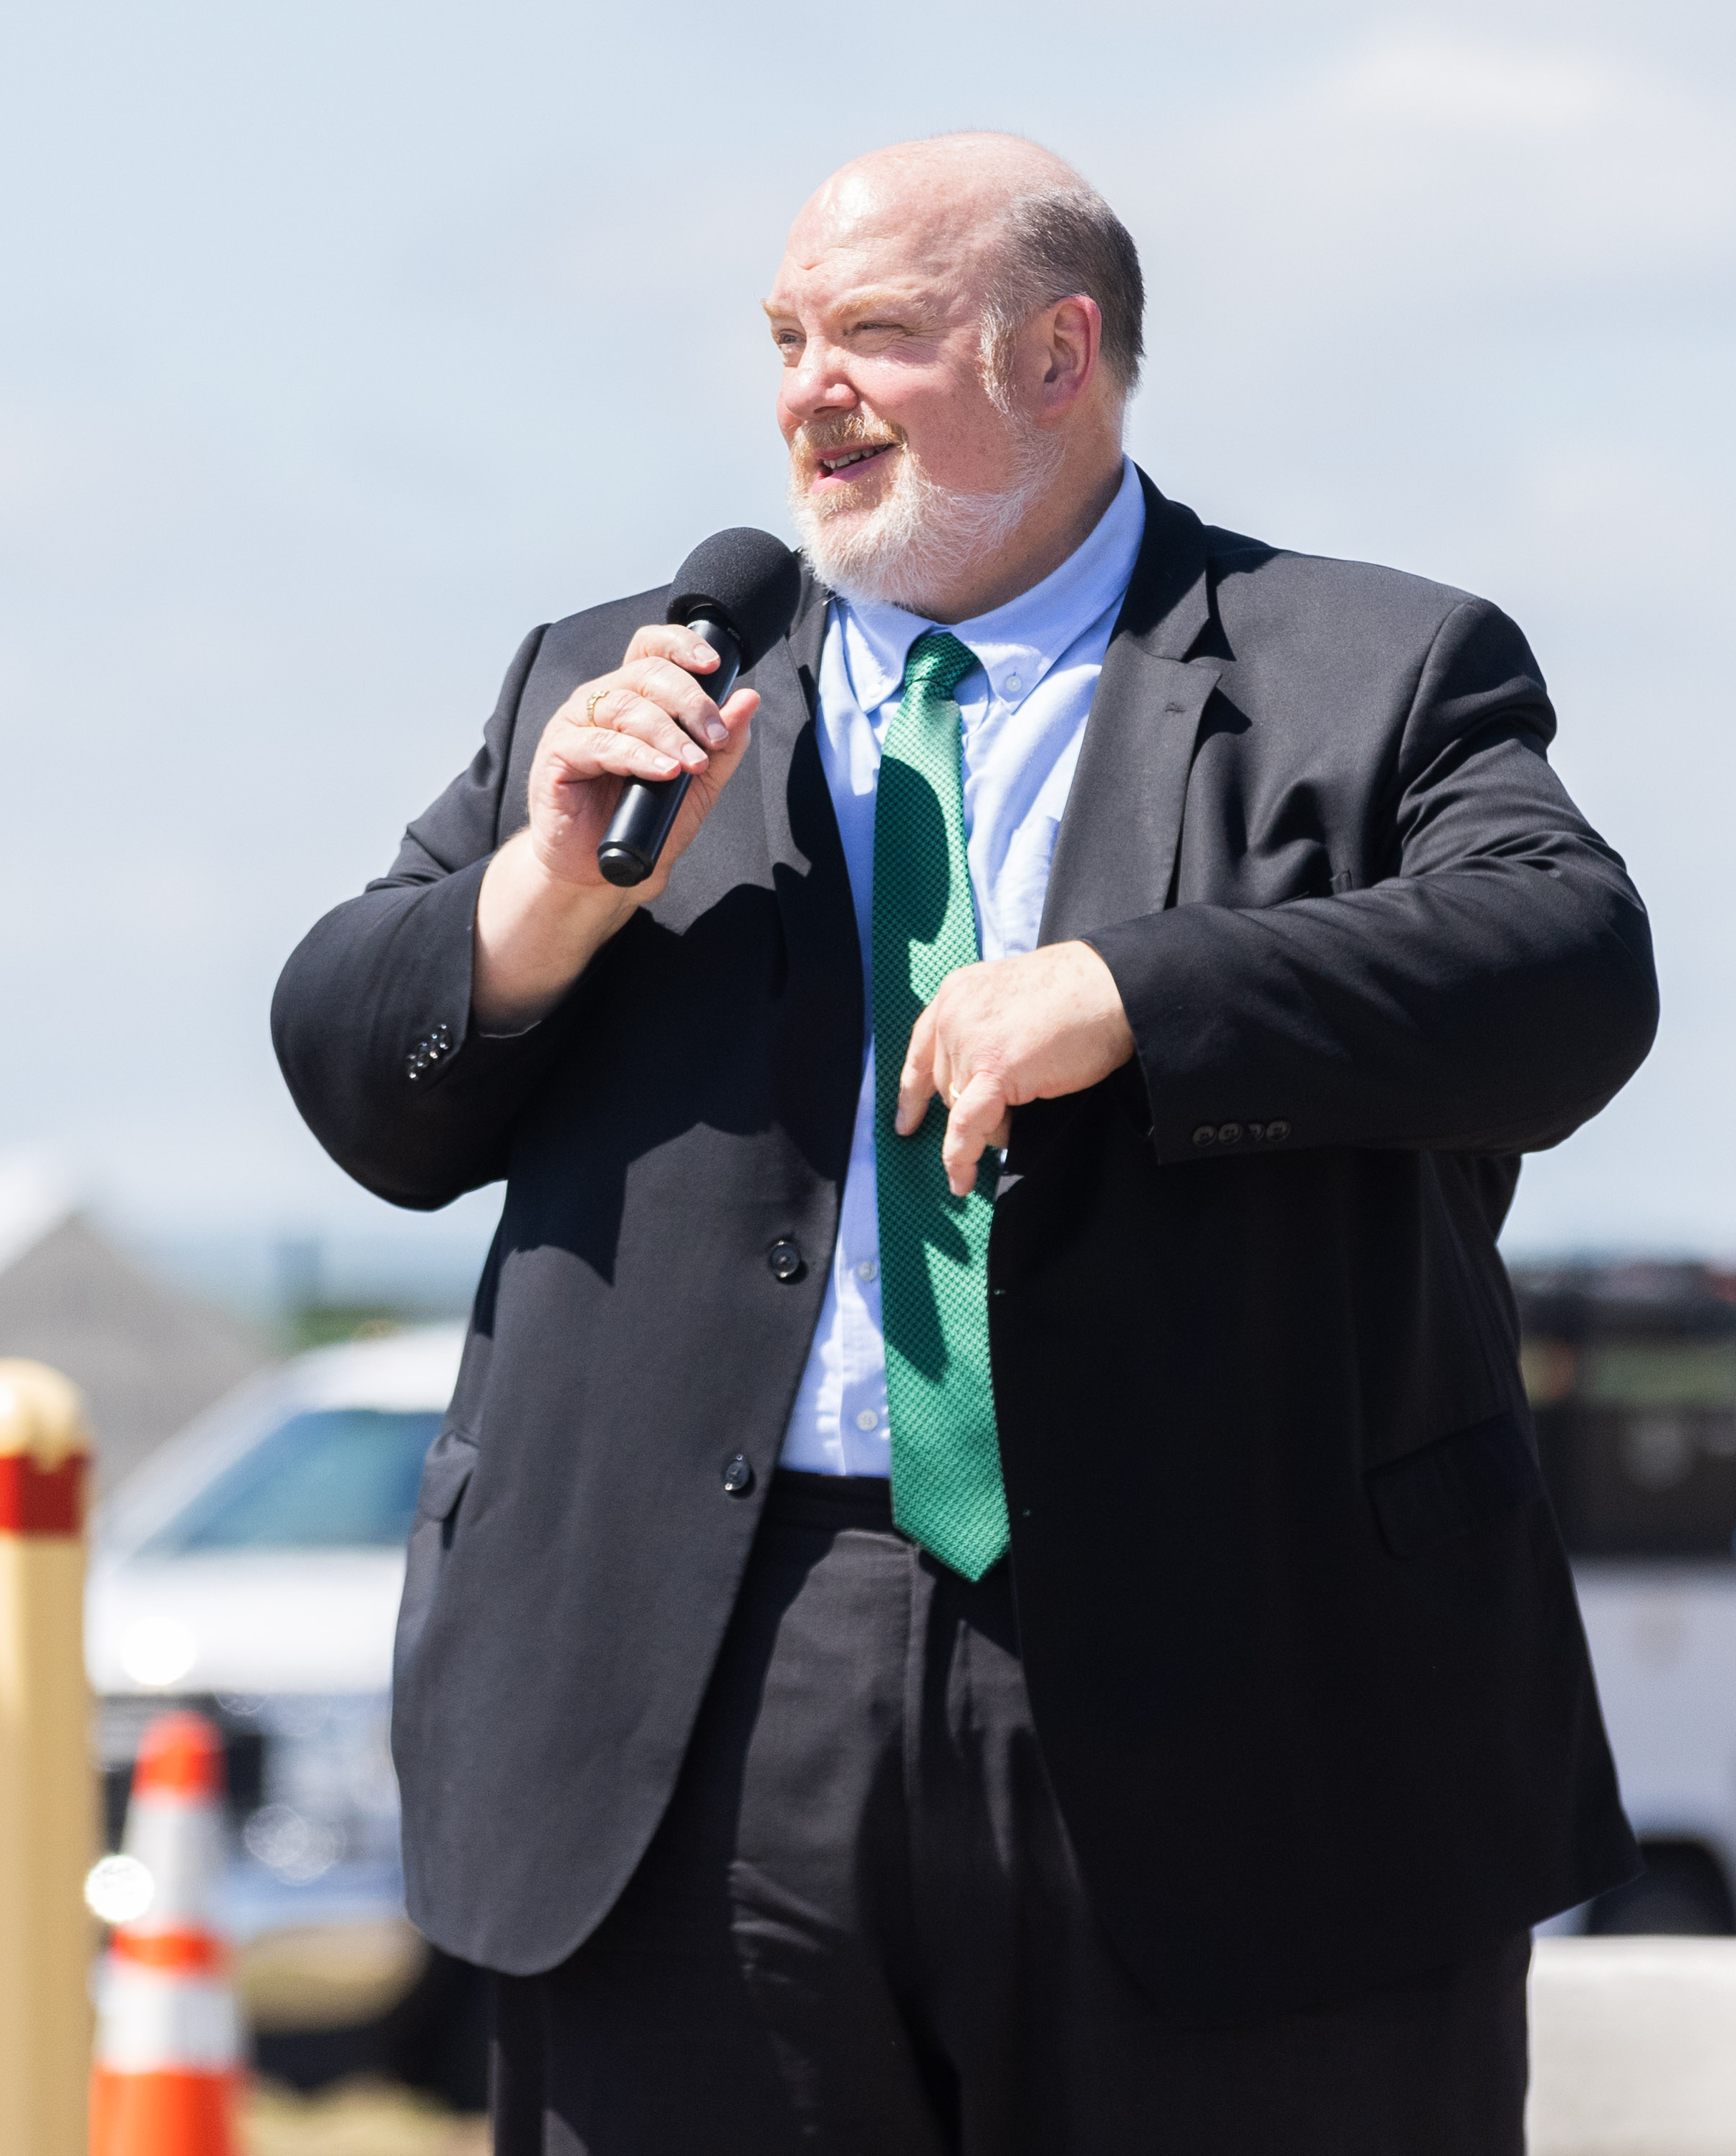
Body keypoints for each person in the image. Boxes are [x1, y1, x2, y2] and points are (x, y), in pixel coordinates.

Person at [273, 133, 1657, 2155]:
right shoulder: (622, 693)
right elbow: (352, 1070)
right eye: (781, 338)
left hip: (1237, 1689)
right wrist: (539, 901)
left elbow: (1564, 970)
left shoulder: (1364, 673)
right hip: (704, 1686)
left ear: (1056, 354)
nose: (805, 392)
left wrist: (1143, 995)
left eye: (877, 334)